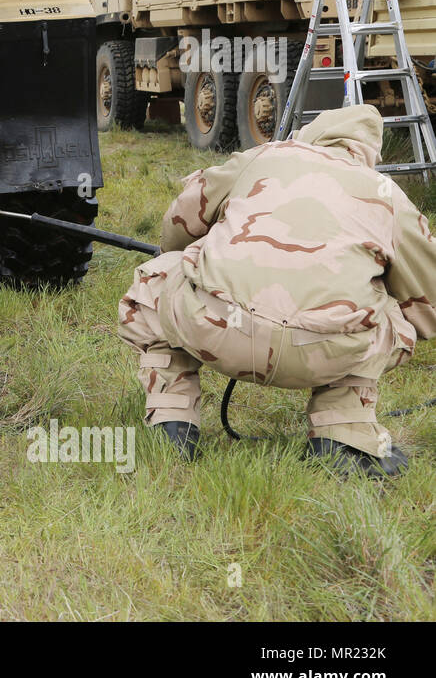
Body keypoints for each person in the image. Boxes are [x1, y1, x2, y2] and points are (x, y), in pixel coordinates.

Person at [118, 105, 436, 477]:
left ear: (312, 135)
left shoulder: (265, 156)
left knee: (156, 276)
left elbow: (180, 222)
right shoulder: (388, 195)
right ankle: (343, 435)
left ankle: (172, 423)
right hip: (326, 351)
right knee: (389, 314)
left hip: (215, 328)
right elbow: (428, 306)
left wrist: (196, 257)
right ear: (367, 153)